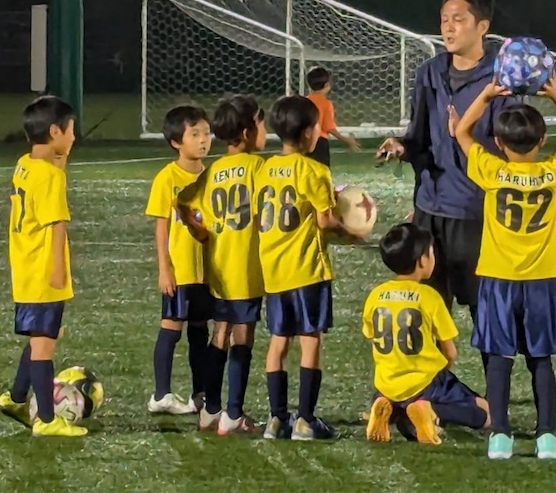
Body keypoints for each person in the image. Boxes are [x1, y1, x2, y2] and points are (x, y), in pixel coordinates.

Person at [376, 0, 519, 370]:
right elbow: (418, 135)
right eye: (444, 20)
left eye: (459, 20)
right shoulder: (429, 73)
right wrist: (401, 146)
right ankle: (432, 395)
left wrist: (467, 139)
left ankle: (496, 398)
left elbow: (512, 150)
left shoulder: (501, 80)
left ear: (482, 26)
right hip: (429, 211)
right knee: (427, 311)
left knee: (483, 311)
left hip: (475, 213)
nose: (449, 28)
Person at [455, 77, 556, 460]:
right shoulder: (553, 171)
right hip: (542, 279)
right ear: (542, 141)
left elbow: (462, 132)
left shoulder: (491, 171)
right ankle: (547, 437)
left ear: (498, 143)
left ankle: (501, 436)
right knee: (540, 359)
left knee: (499, 359)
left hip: (498, 279)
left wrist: (488, 94)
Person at [256, 95, 360, 441]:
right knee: (310, 340)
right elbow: (325, 219)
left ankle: (275, 419)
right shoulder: (315, 170)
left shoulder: (265, 169)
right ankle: (305, 420)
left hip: (273, 270)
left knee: (278, 342)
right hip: (307, 269)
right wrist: (352, 233)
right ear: (308, 133)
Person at [0, 95, 86, 437]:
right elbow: (56, 225)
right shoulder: (50, 178)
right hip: (45, 270)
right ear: (55, 131)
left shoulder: (25, 163)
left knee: (40, 338)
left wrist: (63, 158)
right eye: (71, 131)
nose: (74, 137)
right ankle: (47, 421)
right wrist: (59, 272)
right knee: (45, 344)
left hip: (26, 266)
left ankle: (17, 398)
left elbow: (50, 177)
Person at [176, 94, 267, 435]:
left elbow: (182, 202)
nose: (264, 129)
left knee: (221, 333)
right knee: (242, 337)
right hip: (246, 268)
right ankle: (233, 415)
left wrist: (200, 231)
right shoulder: (259, 168)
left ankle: (209, 411)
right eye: (261, 122)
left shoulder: (213, 170)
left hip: (219, 268)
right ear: (247, 131)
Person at [363, 223, 491, 445]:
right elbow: (450, 352)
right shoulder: (429, 297)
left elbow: (371, 335)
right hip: (427, 381)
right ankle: (430, 410)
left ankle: (389, 407)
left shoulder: (376, 295)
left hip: (387, 382)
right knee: (489, 414)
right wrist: (442, 374)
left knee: (401, 400)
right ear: (422, 260)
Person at [144, 105, 213, 415]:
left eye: (206, 133)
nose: (203, 140)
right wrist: (165, 268)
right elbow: (161, 228)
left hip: (208, 271)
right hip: (180, 269)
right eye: (195, 134)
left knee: (200, 331)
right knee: (171, 328)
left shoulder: (212, 176)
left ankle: (200, 394)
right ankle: (161, 394)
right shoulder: (167, 178)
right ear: (176, 142)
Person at [305, 66, 361, 167]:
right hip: (319, 144)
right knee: (321, 175)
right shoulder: (326, 104)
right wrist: (346, 140)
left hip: (303, 142)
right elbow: (328, 128)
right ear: (327, 85)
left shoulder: (303, 101)